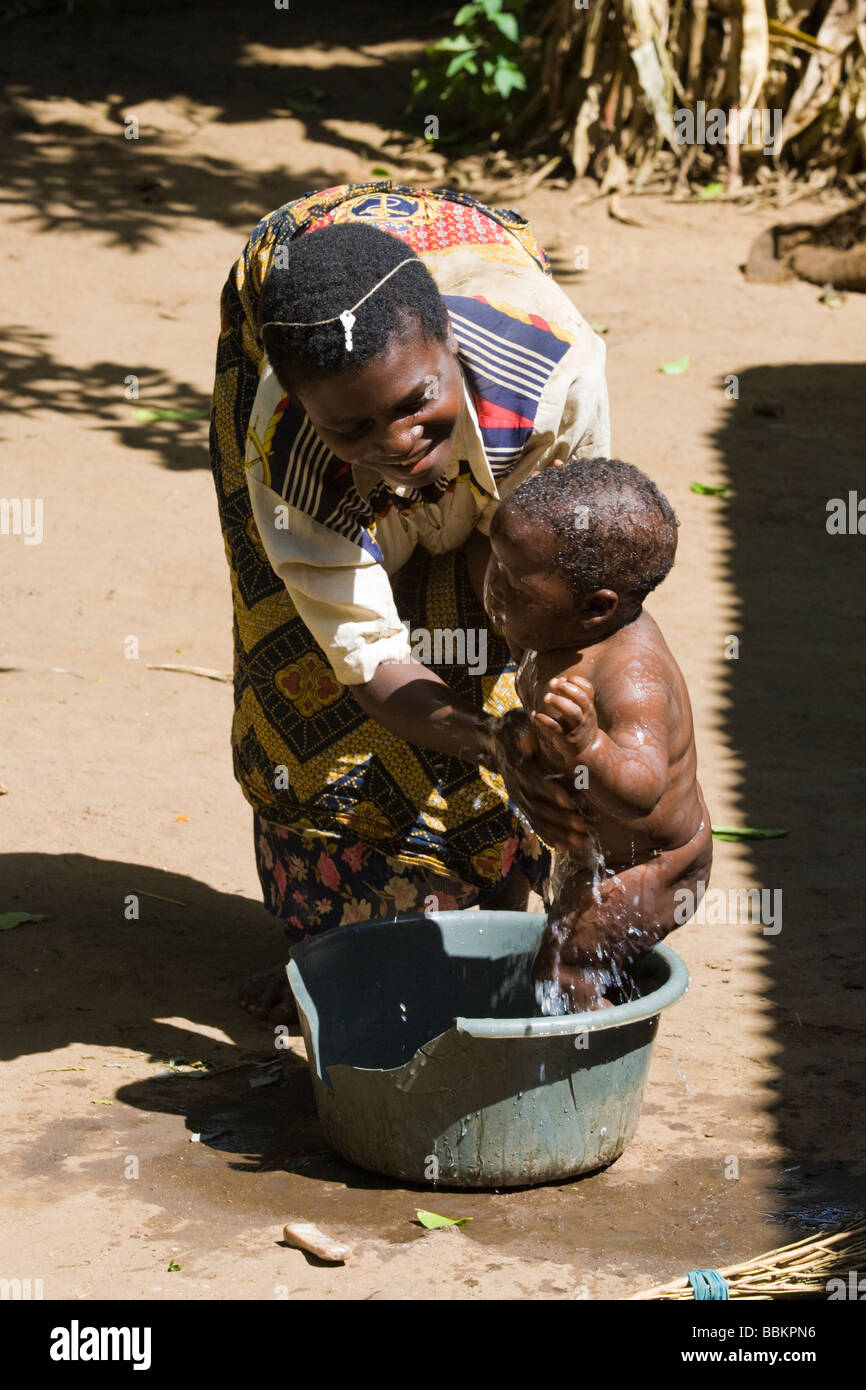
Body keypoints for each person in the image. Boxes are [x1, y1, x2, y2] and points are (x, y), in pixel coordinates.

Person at [208, 180, 610, 1021]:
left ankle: (493, 898)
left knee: (497, 626)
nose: (398, 450)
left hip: (483, 340)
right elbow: (367, 657)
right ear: (302, 410)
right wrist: (487, 741)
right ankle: (332, 943)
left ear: (451, 348)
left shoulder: (552, 378)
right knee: (300, 674)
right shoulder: (282, 456)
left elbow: (555, 600)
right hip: (287, 302)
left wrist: (532, 723)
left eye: (417, 406)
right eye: (352, 430)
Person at [482, 456, 712, 1013]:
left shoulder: (630, 680)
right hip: (602, 857)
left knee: (564, 969)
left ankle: (585, 1079)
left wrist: (589, 745)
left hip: (657, 867)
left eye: (514, 582)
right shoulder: (561, 624)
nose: (494, 587)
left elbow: (640, 791)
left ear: (596, 608)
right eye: (496, 563)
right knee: (564, 948)